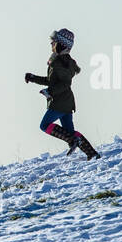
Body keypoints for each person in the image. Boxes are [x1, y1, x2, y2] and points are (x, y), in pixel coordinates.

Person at [25, 28, 100, 159]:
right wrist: (33, 78)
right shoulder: (63, 61)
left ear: (61, 45)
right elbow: (51, 81)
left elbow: (65, 84)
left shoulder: (60, 63)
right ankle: (92, 154)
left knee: (44, 125)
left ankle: (72, 140)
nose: (51, 45)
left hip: (60, 102)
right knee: (70, 131)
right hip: (66, 102)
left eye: (53, 42)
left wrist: (50, 91)